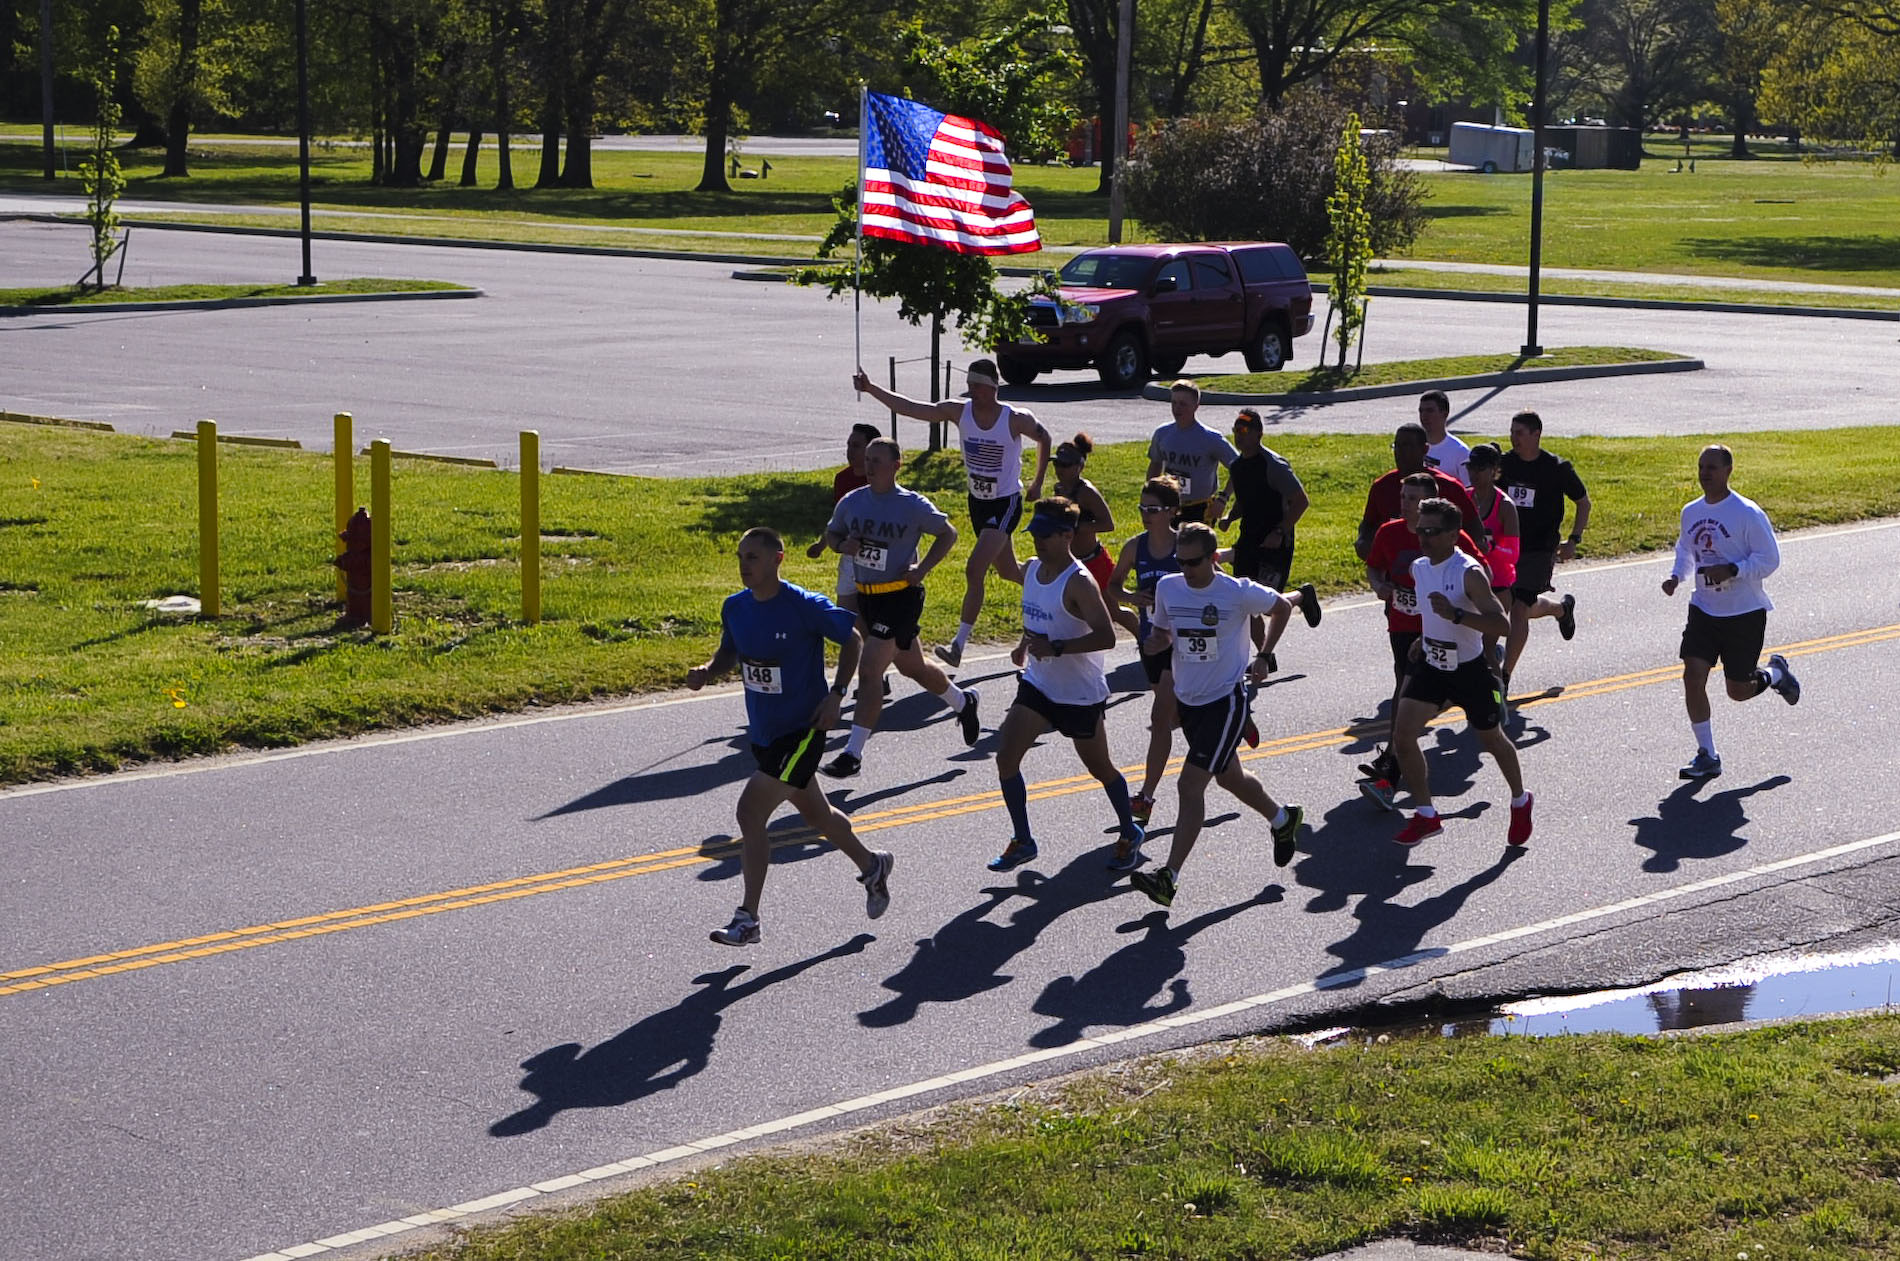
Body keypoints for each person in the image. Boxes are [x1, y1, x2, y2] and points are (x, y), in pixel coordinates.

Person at [685, 527, 894, 946]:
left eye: (753, 557)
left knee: (749, 813)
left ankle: (748, 919)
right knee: (818, 815)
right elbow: (730, 651)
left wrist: (837, 695)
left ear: (777, 559)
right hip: (766, 732)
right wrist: (708, 671)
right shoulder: (736, 607)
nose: (744, 565)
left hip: (805, 728)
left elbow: (853, 639)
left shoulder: (803, 605)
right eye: (740, 557)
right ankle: (872, 865)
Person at [1127, 523, 1308, 908]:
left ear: (1213, 558)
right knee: (1230, 778)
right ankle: (1283, 819)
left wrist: (1264, 655)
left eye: (1193, 562)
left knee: (1189, 786)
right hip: (1189, 701)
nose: (1185, 569)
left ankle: (1168, 878)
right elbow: (1164, 633)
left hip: (1225, 701)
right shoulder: (1169, 588)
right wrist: (1156, 641)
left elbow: (1282, 606)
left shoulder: (1236, 591)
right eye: (1180, 561)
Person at [850, 360, 1051, 668]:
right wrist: (871, 388)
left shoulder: (1015, 418)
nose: (972, 391)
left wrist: (1037, 483)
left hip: (1005, 503)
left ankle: (958, 645)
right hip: (978, 503)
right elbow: (912, 408)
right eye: (969, 385)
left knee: (974, 569)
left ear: (992, 387)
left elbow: (1044, 438)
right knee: (1009, 571)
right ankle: (1050, 582)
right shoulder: (960, 412)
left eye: (978, 386)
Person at [988, 497, 1147, 873]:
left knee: (1100, 769)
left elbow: (1107, 636)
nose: (1038, 541)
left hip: (1079, 694)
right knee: (1006, 759)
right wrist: (1025, 644)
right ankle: (1023, 840)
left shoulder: (1079, 582)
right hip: (1038, 685)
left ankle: (1130, 831)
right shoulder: (1032, 569)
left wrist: (1056, 647)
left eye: (1045, 535)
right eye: (1034, 533)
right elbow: (1033, 607)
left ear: (1067, 536)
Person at [817, 438, 980, 779]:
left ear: (896, 465)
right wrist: (842, 545)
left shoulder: (911, 504)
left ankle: (852, 754)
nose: (869, 466)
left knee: (870, 669)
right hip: (867, 596)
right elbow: (832, 535)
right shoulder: (853, 501)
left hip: (900, 597)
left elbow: (948, 534)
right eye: (867, 459)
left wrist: (922, 569)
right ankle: (963, 702)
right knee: (912, 667)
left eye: (877, 460)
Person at [1389, 499, 1534, 848]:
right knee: (1403, 736)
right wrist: (1424, 638)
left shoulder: (1468, 572)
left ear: (1453, 535)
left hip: (1469, 670)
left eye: (1432, 531)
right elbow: (1429, 612)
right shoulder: (1420, 568)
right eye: (1420, 530)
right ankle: (1426, 815)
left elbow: (1501, 624)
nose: (1423, 538)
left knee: (1492, 740)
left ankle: (1520, 800)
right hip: (1431, 664)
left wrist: (1456, 615)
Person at [1662, 445, 1800, 780]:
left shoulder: (1747, 513)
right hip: (1704, 609)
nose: (1704, 473)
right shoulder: (1691, 511)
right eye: (1701, 467)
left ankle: (1775, 674)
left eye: (1712, 467)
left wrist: (1734, 570)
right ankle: (1707, 755)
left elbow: (1770, 560)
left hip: (1743, 613)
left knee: (1737, 691)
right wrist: (1676, 576)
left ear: (1728, 471)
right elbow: (1686, 549)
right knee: (1693, 676)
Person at [1359, 473, 1488, 810]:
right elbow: (1374, 567)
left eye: (1413, 499)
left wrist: (1459, 606)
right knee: (1404, 688)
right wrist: (1379, 586)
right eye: (1403, 497)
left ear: (1429, 503)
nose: (1405, 504)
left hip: (1441, 629)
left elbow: (1482, 574)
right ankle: (1392, 765)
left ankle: (1390, 772)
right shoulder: (1389, 533)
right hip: (1401, 625)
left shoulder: (1448, 539)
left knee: (1408, 691)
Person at [1109, 476, 1185, 826]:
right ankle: (1230, 722)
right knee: (1177, 718)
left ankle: (1145, 797)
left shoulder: (1184, 545)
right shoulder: (1134, 547)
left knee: (1159, 720)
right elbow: (1113, 586)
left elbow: (1210, 583)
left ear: (1172, 511)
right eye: (1142, 508)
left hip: (1181, 644)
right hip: (1149, 641)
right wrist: (1131, 597)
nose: (1145, 515)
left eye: (1152, 509)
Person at [1218, 406, 1321, 665]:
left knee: (1266, 604)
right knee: (1246, 602)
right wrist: (1230, 517)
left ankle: (1301, 596)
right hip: (1249, 539)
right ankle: (1266, 656)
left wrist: (1280, 531)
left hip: (1275, 543)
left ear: (1258, 434)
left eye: (1244, 430)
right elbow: (1246, 500)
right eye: (1236, 430)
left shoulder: (1274, 466)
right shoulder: (1237, 466)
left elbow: (1301, 501)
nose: (1239, 436)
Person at [1497, 410, 1586, 691]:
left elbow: (1583, 503)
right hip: (1506, 547)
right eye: (1512, 432)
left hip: (1539, 550)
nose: (1514, 438)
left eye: (1519, 433)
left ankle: (1504, 676)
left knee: (1519, 609)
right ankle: (1561, 609)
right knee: (1513, 605)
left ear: (1536, 434)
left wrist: (1573, 540)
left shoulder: (1556, 468)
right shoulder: (1504, 465)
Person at [1354, 422, 1483, 563]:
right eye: (1397, 446)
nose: (1400, 452)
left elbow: (1474, 527)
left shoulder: (1449, 487)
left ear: (1425, 449)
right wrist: (1363, 541)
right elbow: (1369, 523)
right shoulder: (1382, 486)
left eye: (1407, 446)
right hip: (1395, 567)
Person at [1050, 432, 1138, 637]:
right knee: (1070, 609)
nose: (1059, 469)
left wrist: (1079, 527)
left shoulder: (1087, 492)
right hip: (1070, 561)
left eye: (1065, 465)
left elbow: (1108, 524)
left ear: (1078, 467)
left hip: (1094, 561)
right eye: (1056, 464)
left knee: (1113, 612)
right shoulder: (1059, 488)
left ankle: (1145, 641)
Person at [806, 422, 884, 615]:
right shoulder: (842, 478)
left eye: (856, 446)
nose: (850, 451)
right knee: (844, 613)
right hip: (849, 552)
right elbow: (838, 518)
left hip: (879, 556)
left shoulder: (882, 479)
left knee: (875, 613)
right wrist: (822, 544)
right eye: (849, 445)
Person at [1145, 379, 1237, 525]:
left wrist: (1223, 498)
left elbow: (1239, 468)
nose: (1177, 408)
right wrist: (1150, 496)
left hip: (1200, 508)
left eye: (1183, 404)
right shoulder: (1162, 433)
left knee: (1195, 541)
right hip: (1170, 505)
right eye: (1174, 403)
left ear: (1196, 406)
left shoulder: (1211, 438)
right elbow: (1155, 464)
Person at [1465, 442, 1521, 680]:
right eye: (1470, 468)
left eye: (1480, 468)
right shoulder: (1464, 498)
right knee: (1467, 647)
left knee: (1486, 648)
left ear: (1494, 471)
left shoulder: (1505, 506)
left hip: (1497, 585)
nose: (1474, 474)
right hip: (1469, 581)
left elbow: (1513, 553)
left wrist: (1492, 548)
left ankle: (1499, 694)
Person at [1418, 389, 1471, 486]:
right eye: (1421, 411)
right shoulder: (1414, 446)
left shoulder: (1460, 452)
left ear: (1445, 414)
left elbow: (1468, 489)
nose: (1424, 416)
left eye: (1430, 411)